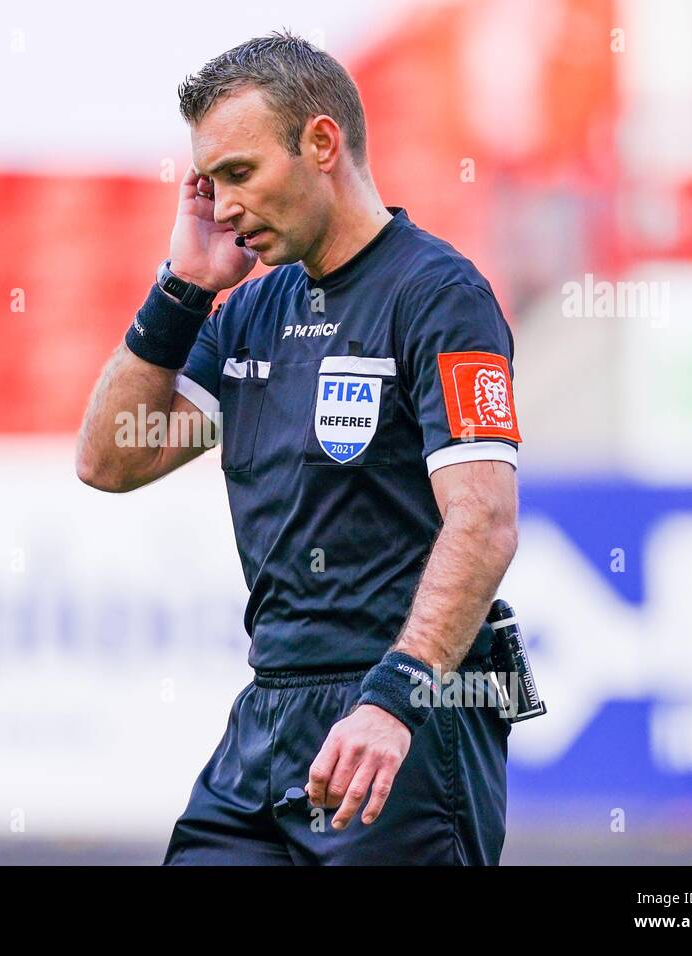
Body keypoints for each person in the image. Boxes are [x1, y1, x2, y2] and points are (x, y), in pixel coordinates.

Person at [76, 32, 522, 864]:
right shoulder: (251, 304)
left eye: (240, 175)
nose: (224, 205)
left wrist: (394, 701)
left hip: (401, 721)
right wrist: (182, 290)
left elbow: (486, 522)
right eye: (208, 184)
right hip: (268, 718)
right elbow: (109, 461)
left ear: (322, 144)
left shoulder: (439, 296)